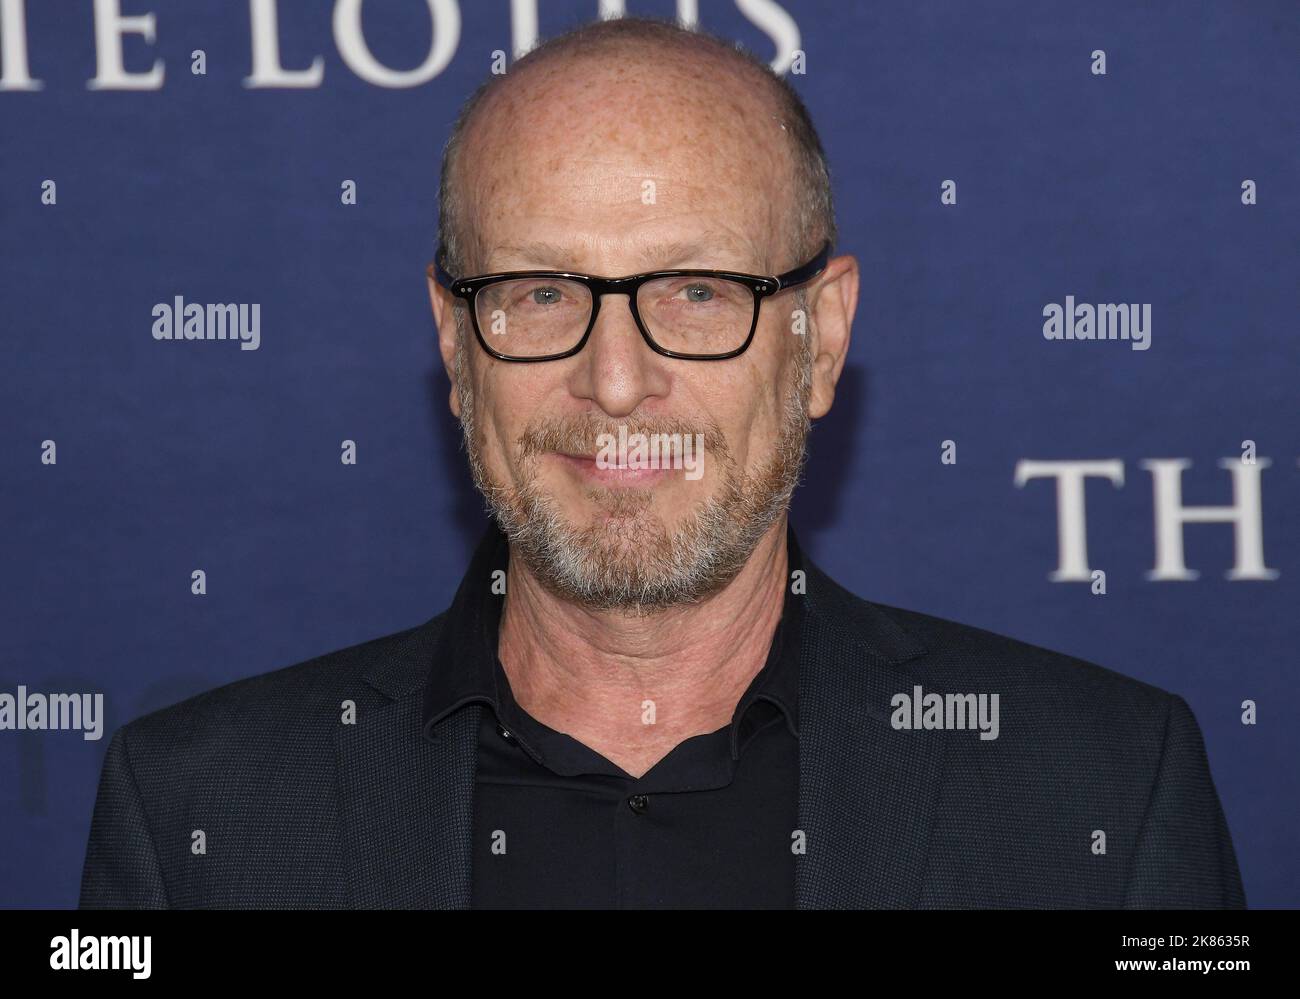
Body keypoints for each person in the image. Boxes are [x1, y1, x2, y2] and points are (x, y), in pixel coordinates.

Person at [80, 15, 1244, 909]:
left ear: (820, 338)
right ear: (453, 342)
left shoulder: (1099, 790)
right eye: (540, 294)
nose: (618, 381)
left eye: (697, 292)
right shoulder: (200, 815)